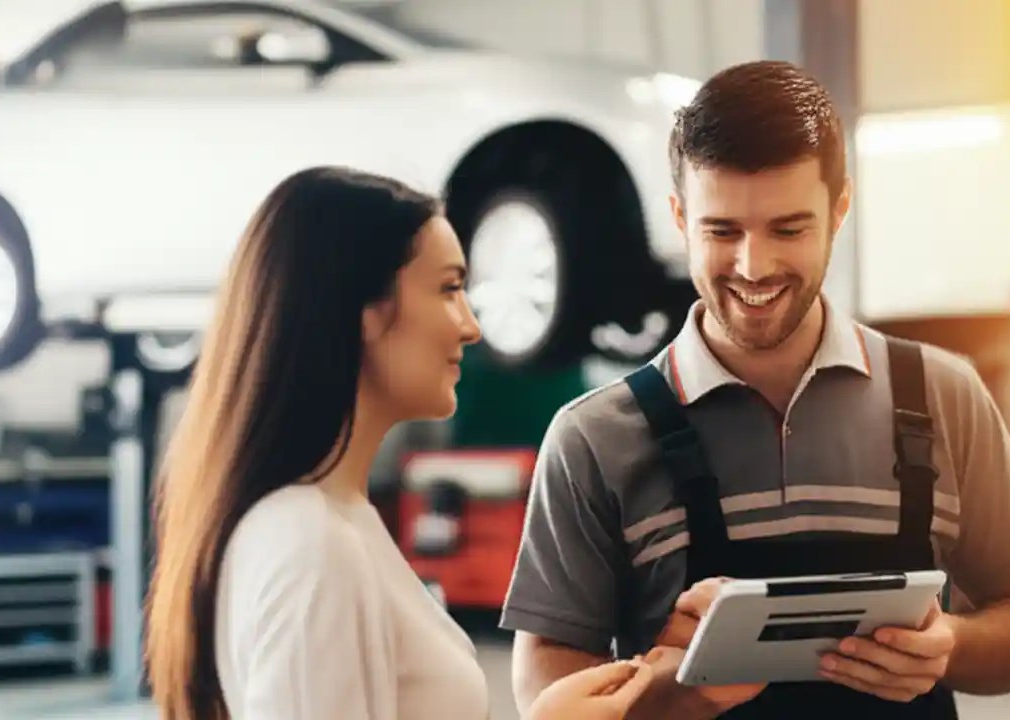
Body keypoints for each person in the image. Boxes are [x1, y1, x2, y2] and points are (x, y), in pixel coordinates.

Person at [501, 60, 1010, 719]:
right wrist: (674, 689)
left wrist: (951, 646)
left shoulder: (943, 397)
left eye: (788, 229)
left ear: (840, 208)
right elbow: (544, 681)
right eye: (722, 231)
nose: (753, 266)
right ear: (680, 218)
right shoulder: (594, 437)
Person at [142, 166, 654, 720]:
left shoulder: (329, 522)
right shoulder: (310, 543)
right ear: (363, 310)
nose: (471, 326)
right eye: (449, 289)